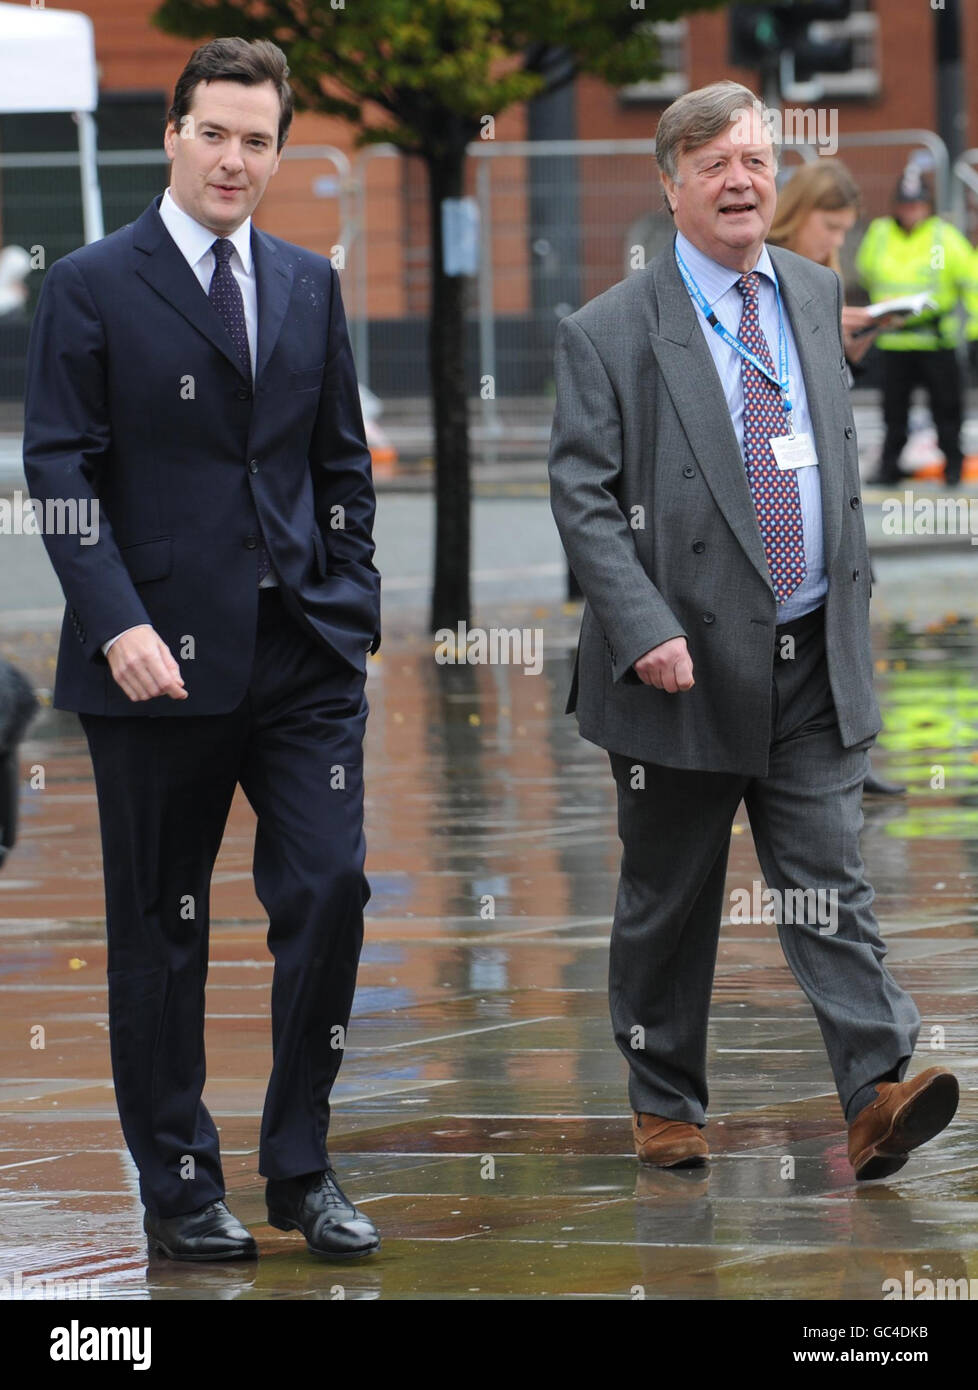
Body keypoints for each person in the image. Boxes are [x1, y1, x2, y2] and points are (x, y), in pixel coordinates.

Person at [548, 82, 959, 1183]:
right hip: (676, 665)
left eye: (755, 160)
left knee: (830, 876)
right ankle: (665, 1100)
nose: (740, 180)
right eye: (713, 164)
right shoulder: (609, 330)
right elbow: (582, 495)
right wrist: (639, 625)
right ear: (671, 186)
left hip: (812, 646)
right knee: (668, 900)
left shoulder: (816, 293)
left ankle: (876, 1088)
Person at [23, 38, 382, 1262]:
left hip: (302, 656)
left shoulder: (304, 282)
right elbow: (57, 471)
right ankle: (179, 1188)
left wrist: (353, 602)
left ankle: (303, 1165)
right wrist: (115, 618)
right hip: (153, 664)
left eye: (259, 139)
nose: (236, 158)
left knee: (330, 889)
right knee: (162, 930)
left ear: (281, 150)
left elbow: (341, 461)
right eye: (215, 132)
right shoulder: (90, 282)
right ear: (171, 134)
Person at [769, 159, 906, 799]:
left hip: (826, 466)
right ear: (801, 214)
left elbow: (831, 378)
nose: (836, 243)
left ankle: (849, 742)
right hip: (780, 473)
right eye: (830, 226)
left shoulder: (823, 279)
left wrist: (859, 339)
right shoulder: (763, 270)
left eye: (845, 230)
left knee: (852, 593)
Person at [855, 168, 973, 488]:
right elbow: (866, 272)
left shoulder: (941, 236)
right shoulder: (880, 233)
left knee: (947, 412)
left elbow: (971, 280)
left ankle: (953, 469)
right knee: (893, 415)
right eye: (905, 205)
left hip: (936, 340)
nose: (910, 211)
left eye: (917, 205)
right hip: (894, 341)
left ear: (928, 206)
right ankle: (889, 467)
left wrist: (974, 331)